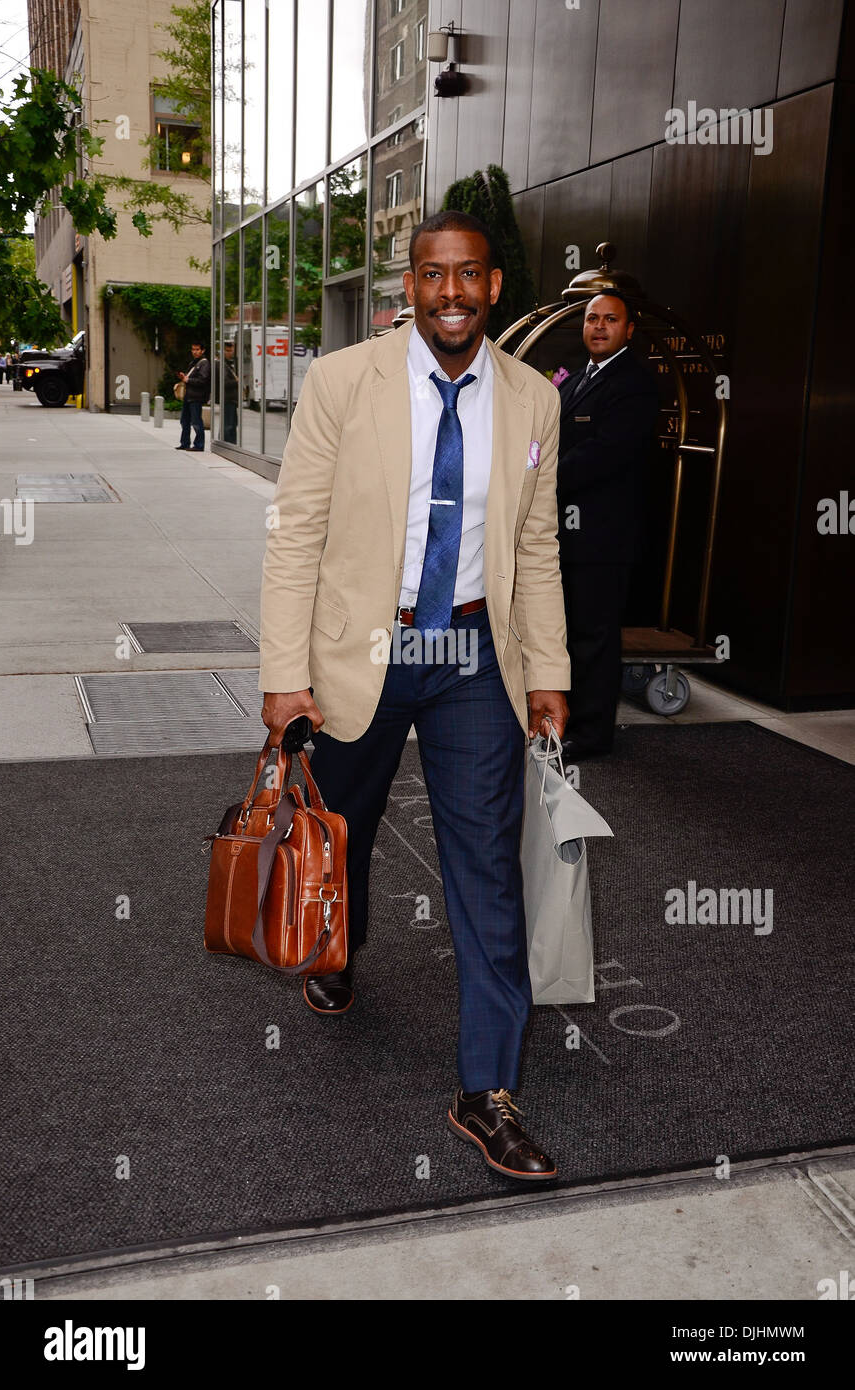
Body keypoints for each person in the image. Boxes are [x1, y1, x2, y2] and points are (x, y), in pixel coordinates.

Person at [260, 211, 571, 1181]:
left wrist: (550, 669)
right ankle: (336, 946)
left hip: (474, 650)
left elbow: (533, 545)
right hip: (365, 643)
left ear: (493, 288)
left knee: (485, 861)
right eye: (434, 275)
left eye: (468, 275)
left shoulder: (531, 401)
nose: (451, 292)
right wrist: (283, 673)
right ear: (411, 284)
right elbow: (296, 530)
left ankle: (489, 1091)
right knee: (340, 827)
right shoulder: (343, 382)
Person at [556, 292, 660, 758]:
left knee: (594, 636)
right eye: (592, 318)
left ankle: (593, 734)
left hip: (604, 535)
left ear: (629, 329)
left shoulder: (635, 383)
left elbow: (606, 453)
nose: (599, 326)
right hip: (569, 532)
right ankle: (564, 718)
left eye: (610, 319)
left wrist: (538, 478)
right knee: (570, 630)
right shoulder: (575, 379)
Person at [175, 340, 210, 452]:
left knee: (196, 421)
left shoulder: (204, 363)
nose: (194, 352)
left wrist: (188, 379)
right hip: (189, 395)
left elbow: (203, 380)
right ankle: (185, 443)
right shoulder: (194, 363)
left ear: (202, 350)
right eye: (193, 349)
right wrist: (184, 378)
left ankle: (199, 445)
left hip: (196, 396)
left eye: (197, 349)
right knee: (184, 420)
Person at [215, 340, 238, 444]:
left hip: (231, 399)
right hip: (227, 398)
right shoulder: (222, 365)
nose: (229, 353)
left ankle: (229, 444)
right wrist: (237, 382)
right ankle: (226, 444)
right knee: (228, 425)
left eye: (231, 351)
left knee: (232, 424)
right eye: (227, 351)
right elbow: (224, 383)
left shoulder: (231, 364)